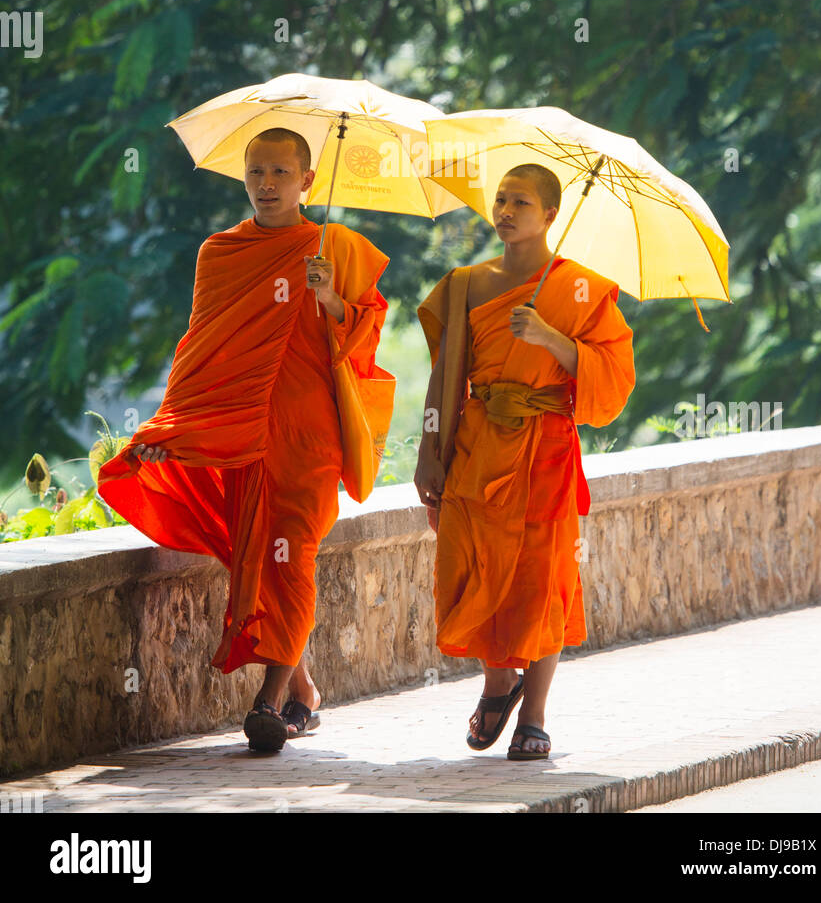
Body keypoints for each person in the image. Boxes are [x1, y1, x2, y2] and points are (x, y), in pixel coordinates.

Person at [98, 127, 394, 752]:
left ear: (307, 181)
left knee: (294, 554)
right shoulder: (221, 252)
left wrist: (331, 299)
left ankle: (267, 699)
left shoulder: (333, 247)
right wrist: (172, 430)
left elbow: (367, 337)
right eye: (256, 171)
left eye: (281, 173)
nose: (267, 183)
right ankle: (302, 692)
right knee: (263, 556)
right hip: (243, 429)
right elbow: (201, 352)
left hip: (308, 430)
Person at [414, 163, 635, 760]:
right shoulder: (467, 283)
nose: (507, 211)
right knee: (469, 569)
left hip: (545, 450)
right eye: (502, 200)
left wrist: (550, 338)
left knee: (541, 582)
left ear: (551, 216)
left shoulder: (579, 287)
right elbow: (444, 379)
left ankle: (532, 715)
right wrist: (428, 451)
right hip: (476, 447)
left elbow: (614, 382)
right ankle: (496, 684)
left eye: (522, 202)